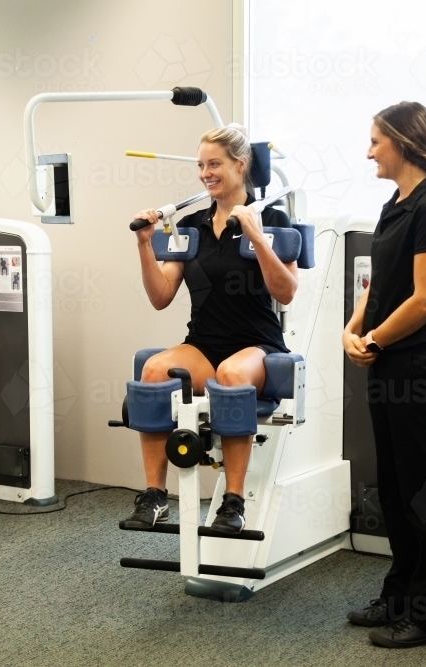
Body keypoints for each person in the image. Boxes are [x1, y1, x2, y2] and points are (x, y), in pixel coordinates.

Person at [122, 124, 298, 534]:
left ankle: (232, 504)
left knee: (232, 376)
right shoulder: (192, 226)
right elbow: (161, 295)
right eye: (201, 165)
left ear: (240, 165)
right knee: (153, 372)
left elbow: (286, 292)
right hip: (202, 343)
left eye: (214, 164)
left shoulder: (271, 217)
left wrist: (256, 234)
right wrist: (145, 245)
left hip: (256, 344)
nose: (206, 173)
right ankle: (154, 497)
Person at [342, 101, 426, 648]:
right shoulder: (396, 203)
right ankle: (400, 594)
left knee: (425, 492)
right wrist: (352, 328)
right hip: (389, 363)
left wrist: (371, 339)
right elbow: (379, 284)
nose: (368, 151)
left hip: (422, 365)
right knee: (392, 489)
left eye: (374, 142)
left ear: (403, 142)